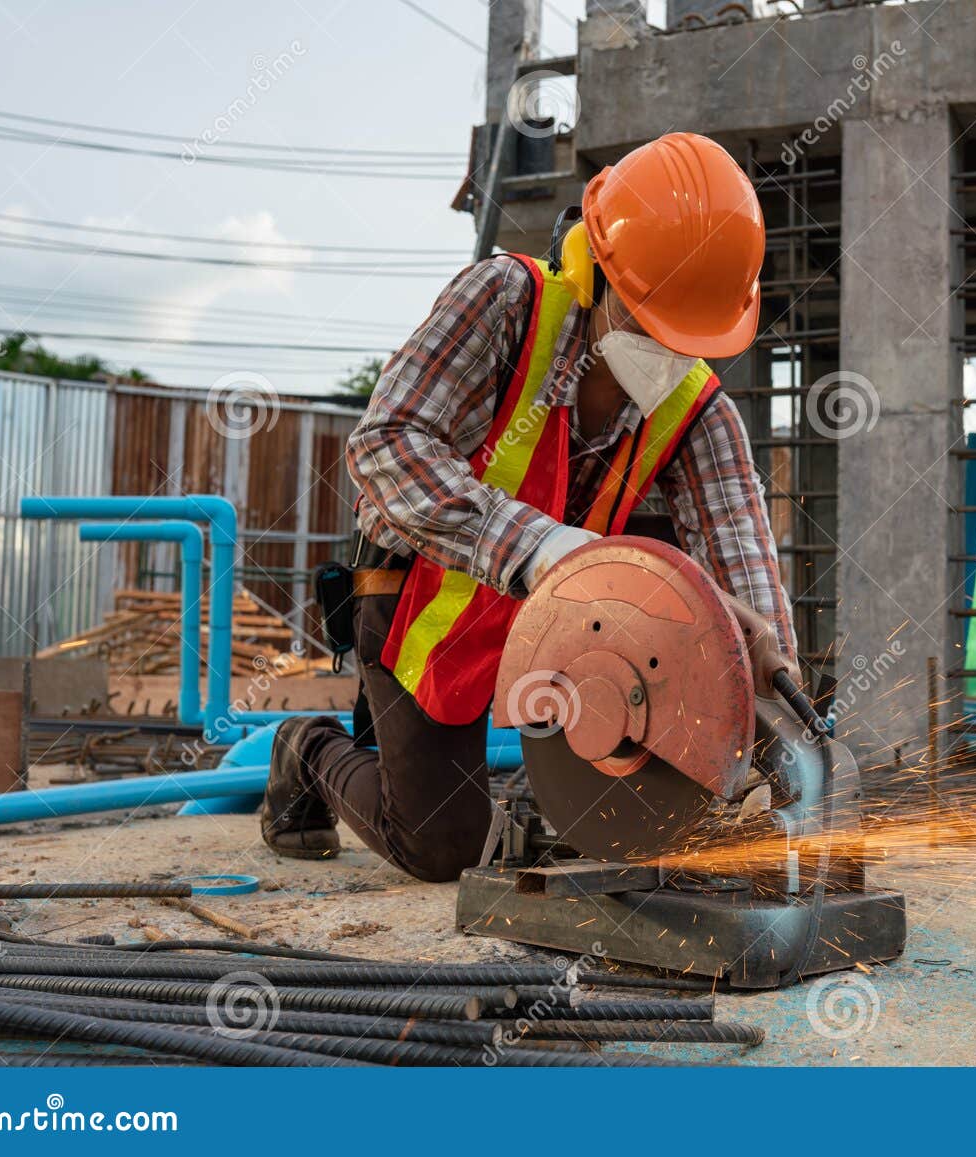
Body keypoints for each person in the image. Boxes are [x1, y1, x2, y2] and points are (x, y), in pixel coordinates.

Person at [261, 131, 798, 881]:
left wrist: (766, 690)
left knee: (624, 803)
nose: (670, 355)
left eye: (689, 339)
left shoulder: (696, 409)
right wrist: (544, 549)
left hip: (561, 616)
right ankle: (306, 747)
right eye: (651, 323)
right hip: (426, 596)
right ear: (601, 274)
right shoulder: (504, 302)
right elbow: (384, 443)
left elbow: (740, 546)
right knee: (442, 847)